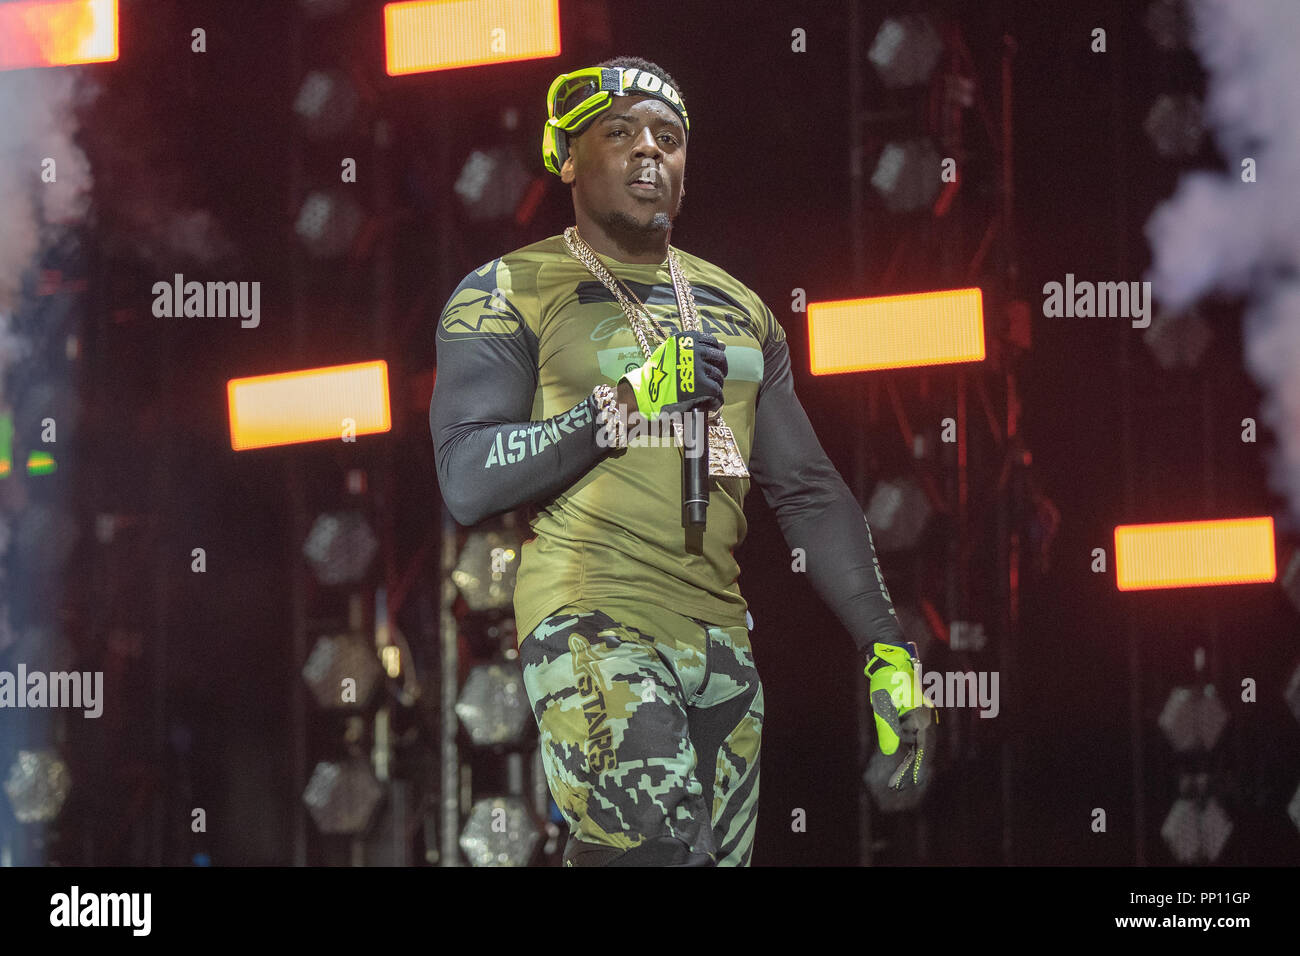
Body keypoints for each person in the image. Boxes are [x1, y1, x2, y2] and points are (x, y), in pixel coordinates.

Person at [429, 56, 935, 866]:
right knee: (660, 849)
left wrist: (887, 647)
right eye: (619, 132)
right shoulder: (508, 289)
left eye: (668, 138)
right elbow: (467, 478)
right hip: (590, 617)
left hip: (721, 643)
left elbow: (806, 490)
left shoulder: (740, 309)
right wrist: (626, 403)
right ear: (566, 156)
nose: (647, 153)